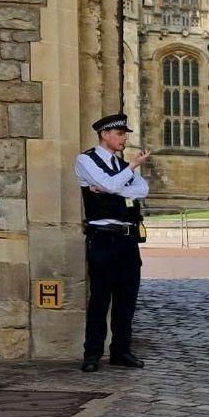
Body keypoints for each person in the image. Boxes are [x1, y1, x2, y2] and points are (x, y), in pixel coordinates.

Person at [74, 113, 150, 373]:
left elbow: (141, 190)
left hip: (128, 239)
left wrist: (114, 188)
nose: (124, 138)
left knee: (126, 297)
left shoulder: (121, 165)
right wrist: (127, 173)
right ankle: (92, 353)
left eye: (125, 134)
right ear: (105, 135)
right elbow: (104, 183)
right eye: (120, 134)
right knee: (100, 297)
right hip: (103, 238)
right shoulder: (86, 160)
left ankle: (121, 350)